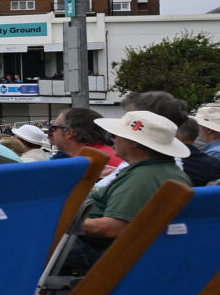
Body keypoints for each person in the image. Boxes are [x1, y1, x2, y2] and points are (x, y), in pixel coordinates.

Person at [65, 108, 192, 275]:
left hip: (96, 252)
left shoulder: (144, 177)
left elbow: (112, 228)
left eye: (118, 134)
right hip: (125, 255)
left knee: (22, 246)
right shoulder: (164, 170)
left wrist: (58, 221)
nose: (113, 138)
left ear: (134, 142)